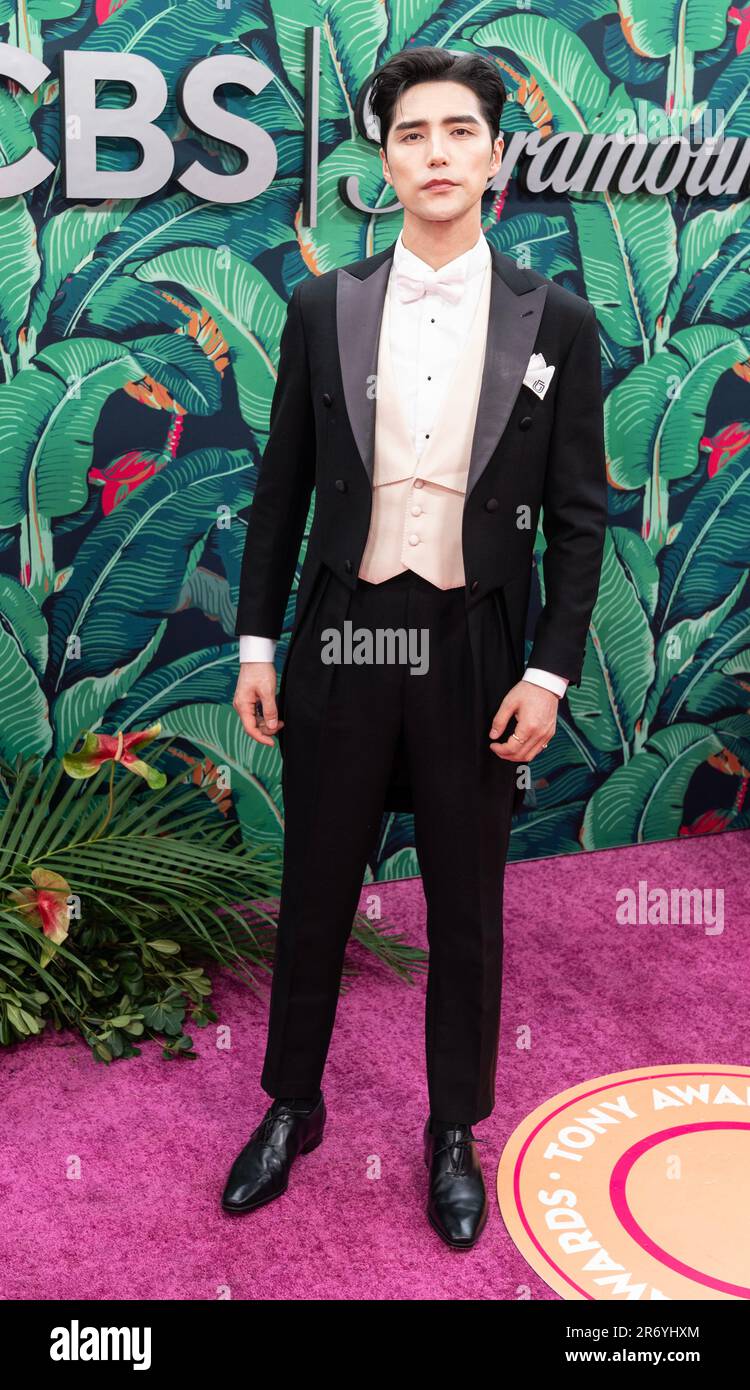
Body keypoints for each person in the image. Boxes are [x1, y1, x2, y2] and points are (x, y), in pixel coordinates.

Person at [221, 45, 607, 1249]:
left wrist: (547, 671)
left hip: (475, 638)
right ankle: (292, 1101)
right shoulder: (321, 305)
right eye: (411, 135)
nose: (435, 154)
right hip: (345, 627)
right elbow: (280, 487)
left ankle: (453, 1127)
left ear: (495, 153)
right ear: (380, 161)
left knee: (467, 903)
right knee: (317, 887)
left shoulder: (565, 321)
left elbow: (583, 514)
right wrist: (255, 643)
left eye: (459, 132)